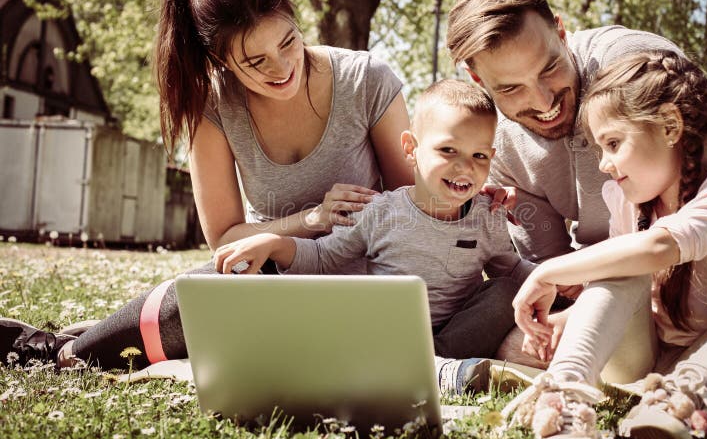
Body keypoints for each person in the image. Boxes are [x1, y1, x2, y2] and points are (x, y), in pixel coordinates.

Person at [0, 0, 412, 371]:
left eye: (289, 41)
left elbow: (412, 204)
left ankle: (73, 343)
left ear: (294, 18)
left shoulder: (366, 79)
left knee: (203, 312)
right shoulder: (213, 105)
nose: (283, 66)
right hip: (269, 278)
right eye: (256, 62)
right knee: (199, 295)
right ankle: (62, 352)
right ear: (221, 61)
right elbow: (226, 241)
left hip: (362, 280)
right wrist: (310, 220)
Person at [502, 50, 707, 439]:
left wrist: (548, 272)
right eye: (598, 149)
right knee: (617, 266)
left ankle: (680, 400)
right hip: (642, 363)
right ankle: (564, 399)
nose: (604, 165)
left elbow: (659, 246)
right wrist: (561, 326)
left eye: (613, 144)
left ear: (669, 127)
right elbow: (621, 294)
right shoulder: (625, 201)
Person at [446, 0, 707, 370]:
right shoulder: (498, 142)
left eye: (550, 68)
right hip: (607, 291)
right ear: (479, 80)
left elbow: (698, 227)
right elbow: (558, 277)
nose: (543, 102)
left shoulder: (638, 69)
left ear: (561, 32)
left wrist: (591, 314)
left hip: (690, 281)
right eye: (511, 89)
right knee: (515, 334)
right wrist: (569, 312)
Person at [212, 79, 536, 394]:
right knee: (343, 315)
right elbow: (324, 258)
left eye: (478, 156)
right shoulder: (378, 211)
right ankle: (427, 368)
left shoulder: (487, 215)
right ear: (411, 148)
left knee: (505, 290)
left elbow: (507, 268)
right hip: (390, 331)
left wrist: (554, 278)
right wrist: (275, 244)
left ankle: (427, 366)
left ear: (491, 158)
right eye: (448, 150)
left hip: (458, 330)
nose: (464, 167)